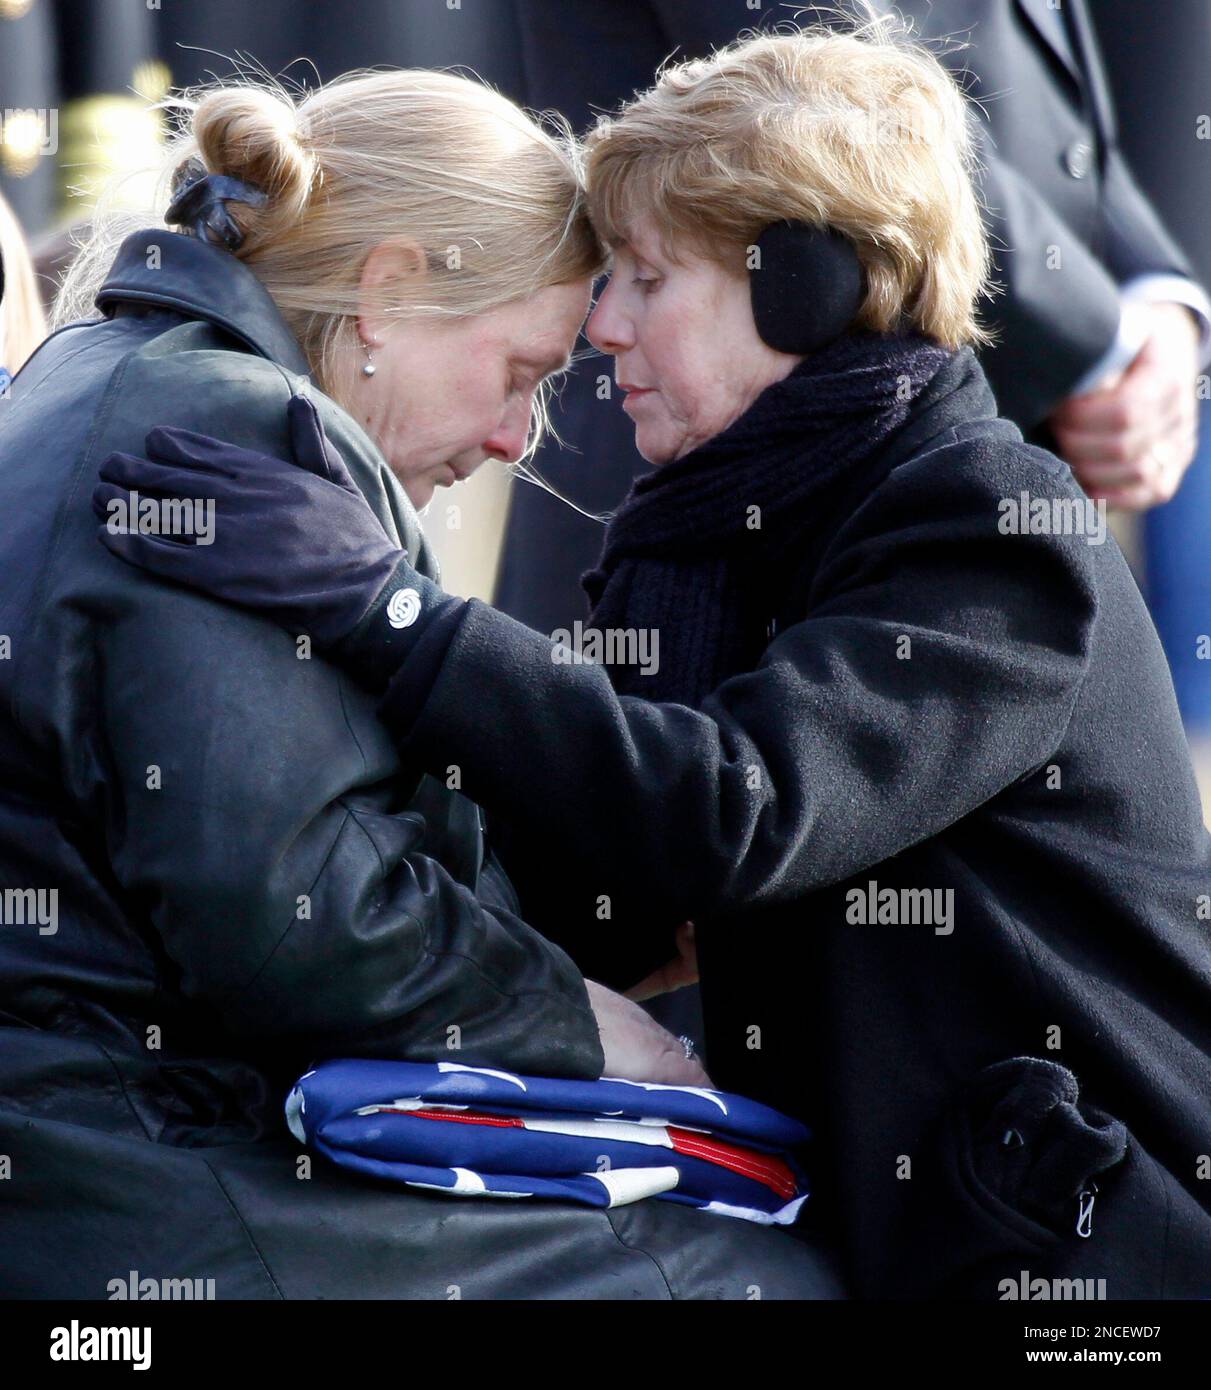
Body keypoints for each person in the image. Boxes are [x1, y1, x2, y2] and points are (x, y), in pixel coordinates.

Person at [104, 23, 1211, 1300]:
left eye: (641, 277)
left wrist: (386, 613)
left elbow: (733, 811)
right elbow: (597, 899)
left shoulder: (985, 526)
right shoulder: (710, 539)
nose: (602, 329)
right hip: (892, 1231)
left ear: (802, 282)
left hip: (1088, 1260)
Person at [0, 67, 842, 1299]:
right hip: (137, 1178)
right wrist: (586, 1025)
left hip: (95, 1143)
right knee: (766, 1276)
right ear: (389, 291)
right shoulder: (238, 431)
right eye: (520, 371)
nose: (514, 437)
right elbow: (293, 920)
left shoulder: (99, 371)